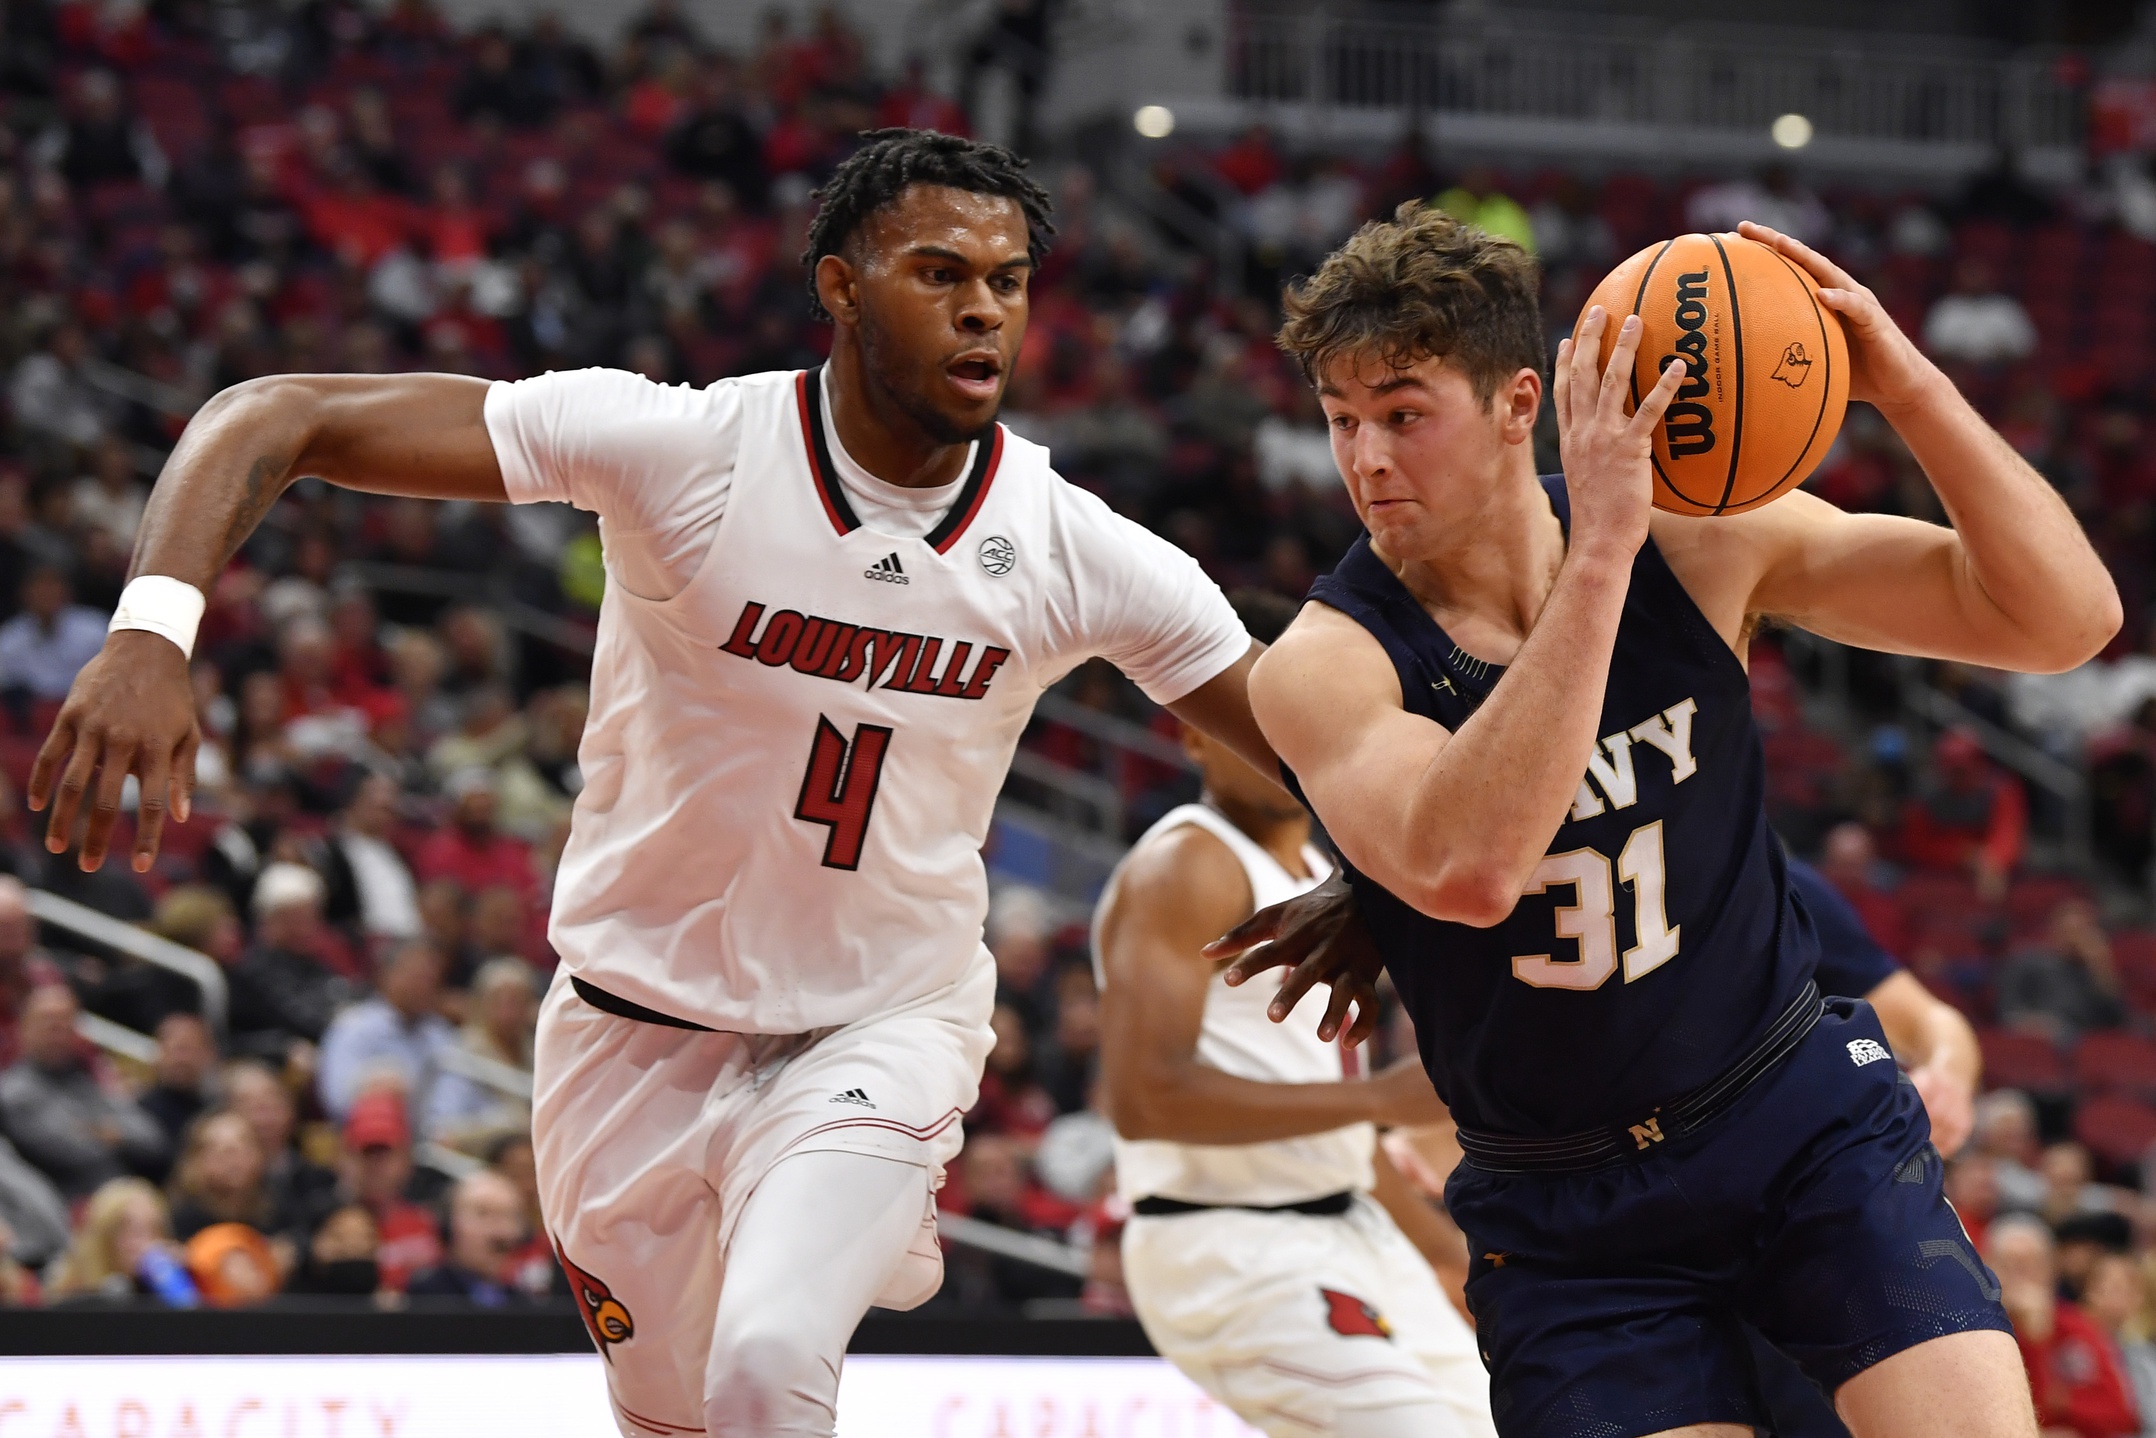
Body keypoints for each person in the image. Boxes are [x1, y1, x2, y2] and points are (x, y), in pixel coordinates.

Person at [30, 129, 1317, 1438]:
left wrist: (1372, 872)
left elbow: (1295, 741)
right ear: (842, 289)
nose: (985, 304)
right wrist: (148, 630)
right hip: (627, 1031)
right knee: (680, 1417)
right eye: (939, 271)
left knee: (766, 1364)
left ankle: (863, 1197)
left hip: (875, 1020)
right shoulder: (684, 450)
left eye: (1009, 277)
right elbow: (275, 412)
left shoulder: (1070, 542)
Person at [1220, 205, 2117, 1438]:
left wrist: (1901, 386)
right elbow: (1470, 866)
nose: (1365, 457)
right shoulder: (1324, 665)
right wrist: (1597, 558)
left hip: (1794, 1118)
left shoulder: (1705, 544)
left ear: (1518, 403)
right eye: (1340, 419)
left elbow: (2057, 621)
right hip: (1568, 1216)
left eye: (1403, 412)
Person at [1094, 590, 1494, 1438]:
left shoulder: (1324, 868)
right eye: (1252, 713)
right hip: (1226, 1247)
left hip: (1343, 1227)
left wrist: (1440, 1246)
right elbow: (1141, 1101)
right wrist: (1380, 1102)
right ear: (1194, 729)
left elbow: (1322, 1124)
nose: (1276, 739)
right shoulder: (1186, 865)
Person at [0, 984, 168, 1198]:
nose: (56, 1032)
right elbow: (73, 1154)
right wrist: (110, 1135)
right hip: (60, 1202)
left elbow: (152, 1139)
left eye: (64, 1023)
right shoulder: (13, 1093)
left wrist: (106, 1133)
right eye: (47, 1022)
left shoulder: (88, 1082)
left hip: (119, 1195)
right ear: (23, 1029)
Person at [1990, 1217, 2139, 1438]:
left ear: (2051, 1269)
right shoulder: (1976, 1333)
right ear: (1987, 1269)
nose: (2020, 1276)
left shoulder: (2076, 1325)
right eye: (2009, 1265)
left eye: (2031, 1264)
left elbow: (2120, 1414)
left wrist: (2062, 1401)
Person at [315, 939, 455, 1121]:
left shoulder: (439, 1032)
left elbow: (458, 1095)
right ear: (386, 976)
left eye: (432, 979)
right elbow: (339, 1101)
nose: (425, 986)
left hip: (441, 1137)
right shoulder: (354, 1027)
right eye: (417, 977)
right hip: (376, 1136)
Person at [407, 1168, 529, 1305]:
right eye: (483, 1214)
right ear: (448, 1225)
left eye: (510, 1216)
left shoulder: (524, 1302)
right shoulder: (422, 1298)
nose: (501, 1233)